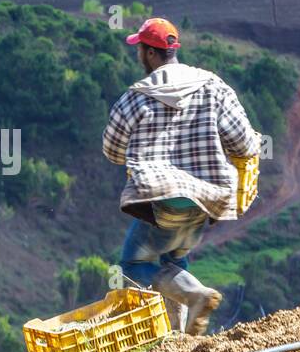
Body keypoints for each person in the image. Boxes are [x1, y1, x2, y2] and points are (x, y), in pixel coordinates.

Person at [102, 17, 262, 335]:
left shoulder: (137, 97)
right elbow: (244, 143)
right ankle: (179, 338)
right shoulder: (213, 87)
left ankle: (196, 296)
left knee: (134, 266)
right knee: (173, 262)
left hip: (164, 202)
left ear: (149, 54)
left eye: (141, 50)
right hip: (208, 201)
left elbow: (112, 150)